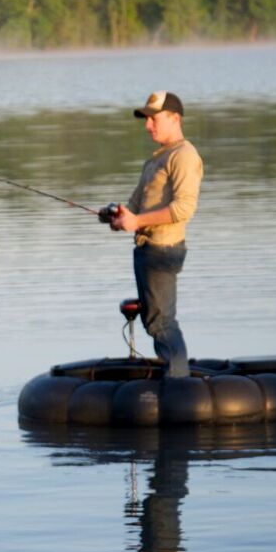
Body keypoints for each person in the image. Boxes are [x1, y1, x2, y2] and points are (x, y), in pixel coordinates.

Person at [100, 91, 203, 380]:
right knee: (154, 322)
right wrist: (118, 216)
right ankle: (176, 377)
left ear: (175, 118)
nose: (148, 126)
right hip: (147, 250)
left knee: (162, 325)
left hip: (162, 250)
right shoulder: (156, 160)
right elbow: (135, 206)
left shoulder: (184, 156)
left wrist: (137, 221)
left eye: (154, 119)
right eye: (146, 120)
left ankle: (178, 386)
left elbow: (183, 208)